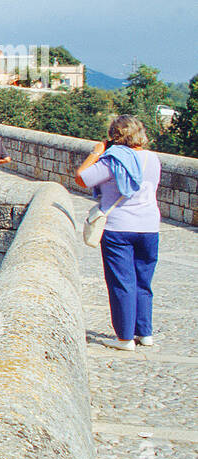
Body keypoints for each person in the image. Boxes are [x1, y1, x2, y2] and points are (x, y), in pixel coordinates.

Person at [75, 115, 161, 351]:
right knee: (143, 282)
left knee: (122, 283)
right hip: (149, 226)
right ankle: (145, 333)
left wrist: (96, 152)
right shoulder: (153, 159)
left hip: (118, 227)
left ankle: (124, 337)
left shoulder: (112, 160)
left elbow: (81, 178)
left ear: (115, 135)